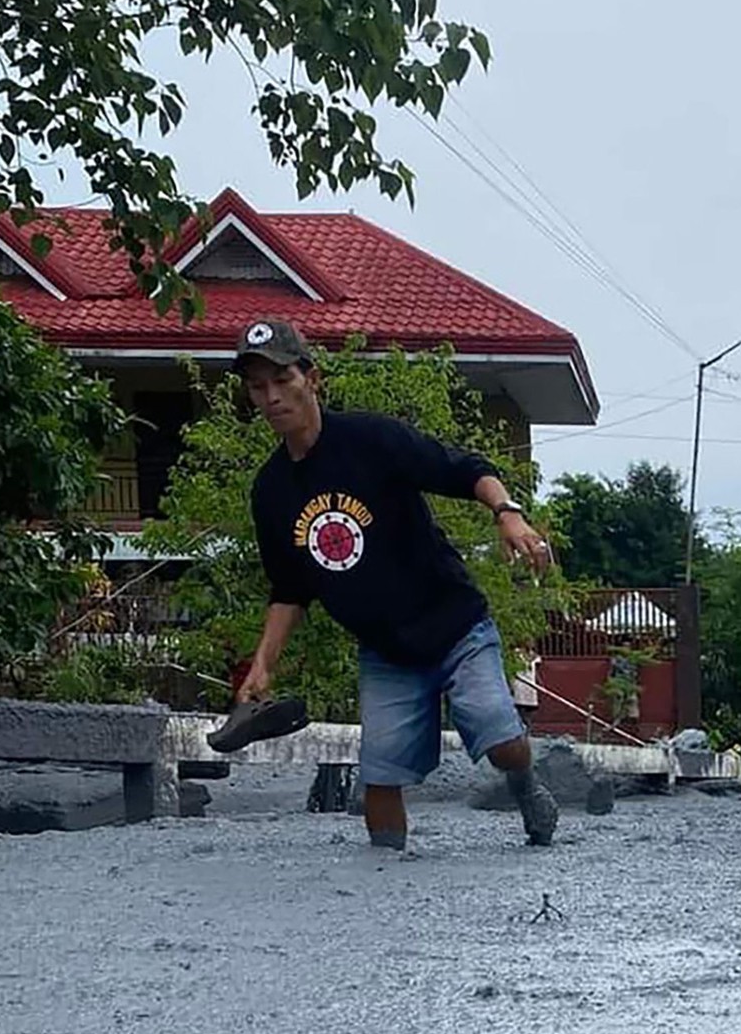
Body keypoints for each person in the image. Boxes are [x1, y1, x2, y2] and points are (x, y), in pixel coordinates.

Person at [232, 320, 559, 852]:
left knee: (500, 739)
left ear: (311, 378)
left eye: (281, 379)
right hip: (386, 652)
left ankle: (527, 788)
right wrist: (262, 664)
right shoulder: (271, 491)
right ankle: (384, 875)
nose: (270, 396)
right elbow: (289, 588)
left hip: (455, 627)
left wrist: (508, 513)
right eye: (256, 386)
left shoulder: (372, 440)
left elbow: (465, 468)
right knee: (379, 779)